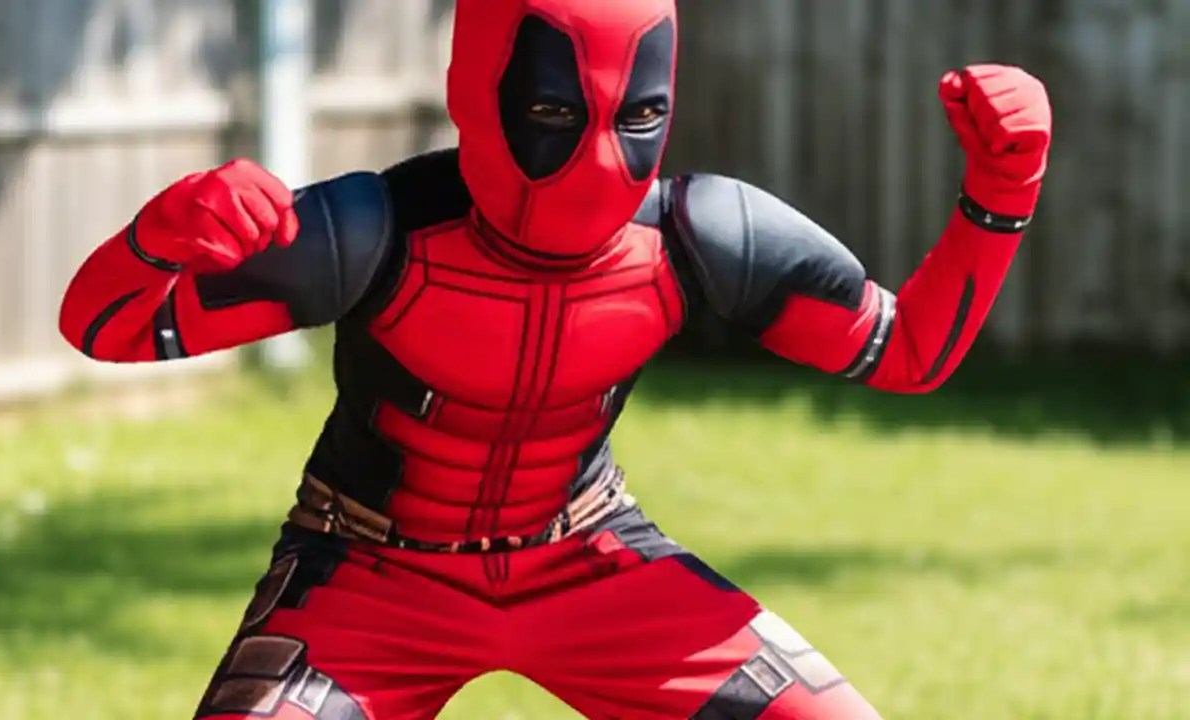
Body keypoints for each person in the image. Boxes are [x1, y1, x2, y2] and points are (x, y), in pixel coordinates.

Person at [58, 1, 1051, 718]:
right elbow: (105, 325)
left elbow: (905, 352)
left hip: (588, 559)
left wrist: (1000, 194)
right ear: (470, 90)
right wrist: (156, 239)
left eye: (637, 120)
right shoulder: (369, 233)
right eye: (552, 115)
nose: (596, 159)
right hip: (367, 574)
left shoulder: (703, 235)